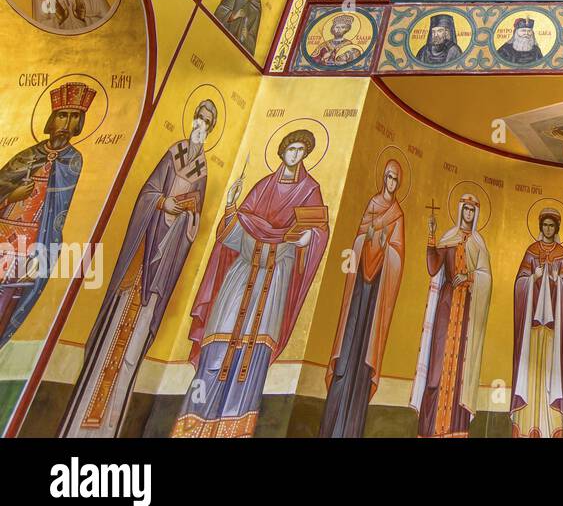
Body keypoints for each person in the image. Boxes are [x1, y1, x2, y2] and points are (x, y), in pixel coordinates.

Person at [61, 100, 216, 437]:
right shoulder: (172, 154)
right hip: (141, 259)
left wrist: (188, 216)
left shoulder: (203, 170)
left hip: (164, 265)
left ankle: (110, 427)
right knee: (111, 339)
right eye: (199, 118)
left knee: (134, 346)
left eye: (207, 122)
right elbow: (147, 193)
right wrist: (163, 203)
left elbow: (196, 218)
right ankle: (78, 427)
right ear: (191, 120)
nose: (201, 125)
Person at [171, 129, 328, 437]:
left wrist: (309, 238)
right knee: (219, 343)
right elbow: (232, 234)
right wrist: (230, 205)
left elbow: (317, 231)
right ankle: (194, 425)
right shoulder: (262, 187)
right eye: (290, 148)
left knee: (255, 353)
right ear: (282, 152)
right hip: (243, 274)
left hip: (276, 277)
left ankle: (235, 428)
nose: (295, 154)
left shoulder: (310, 190)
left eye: (300, 150)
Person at [0, 81, 94, 348]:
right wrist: (11, 196)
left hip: (32, 244)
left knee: (8, 299)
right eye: (63, 115)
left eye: (74, 116)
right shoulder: (27, 155)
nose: (67, 122)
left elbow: (58, 207)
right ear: (52, 119)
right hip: (3, 236)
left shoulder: (72, 160)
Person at [320, 158, 405, 437]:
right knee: (347, 351)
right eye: (389, 177)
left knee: (363, 360)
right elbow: (357, 240)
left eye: (395, 179)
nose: (391, 183)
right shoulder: (371, 205)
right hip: (359, 290)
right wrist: (367, 238)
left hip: (377, 294)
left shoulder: (398, 214)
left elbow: (397, 257)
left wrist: (383, 245)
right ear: (383, 178)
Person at [412, 192, 491, 437]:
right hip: (446, 306)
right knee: (438, 361)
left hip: (466, 308)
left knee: (459, 368)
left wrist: (469, 277)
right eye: (465, 210)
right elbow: (433, 266)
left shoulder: (479, 243)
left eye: (472, 211)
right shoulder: (449, 237)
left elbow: (487, 278)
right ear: (460, 211)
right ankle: (430, 428)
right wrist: (432, 235)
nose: (468, 214)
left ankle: (455, 428)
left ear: (475, 215)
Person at [509, 206, 563, 438]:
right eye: (545, 225)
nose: (548, 229)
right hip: (532, 331)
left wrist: (559, 281)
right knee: (530, 373)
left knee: (549, 374)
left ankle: (550, 426)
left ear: (556, 228)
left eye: (551, 225)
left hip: (552, 333)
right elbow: (518, 285)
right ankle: (525, 426)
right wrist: (533, 278)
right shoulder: (531, 251)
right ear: (541, 227)